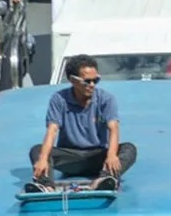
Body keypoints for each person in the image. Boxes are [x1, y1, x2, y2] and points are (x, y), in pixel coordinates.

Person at [27, 54, 137, 193]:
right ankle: (45, 184)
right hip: (70, 157)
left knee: (129, 149)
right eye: (87, 81)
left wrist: (111, 155)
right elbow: (52, 131)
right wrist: (43, 159)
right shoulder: (59, 99)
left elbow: (113, 128)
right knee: (37, 150)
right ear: (73, 80)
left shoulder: (106, 99)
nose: (92, 85)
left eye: (96, 80)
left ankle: (105, 179)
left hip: (98, 157)